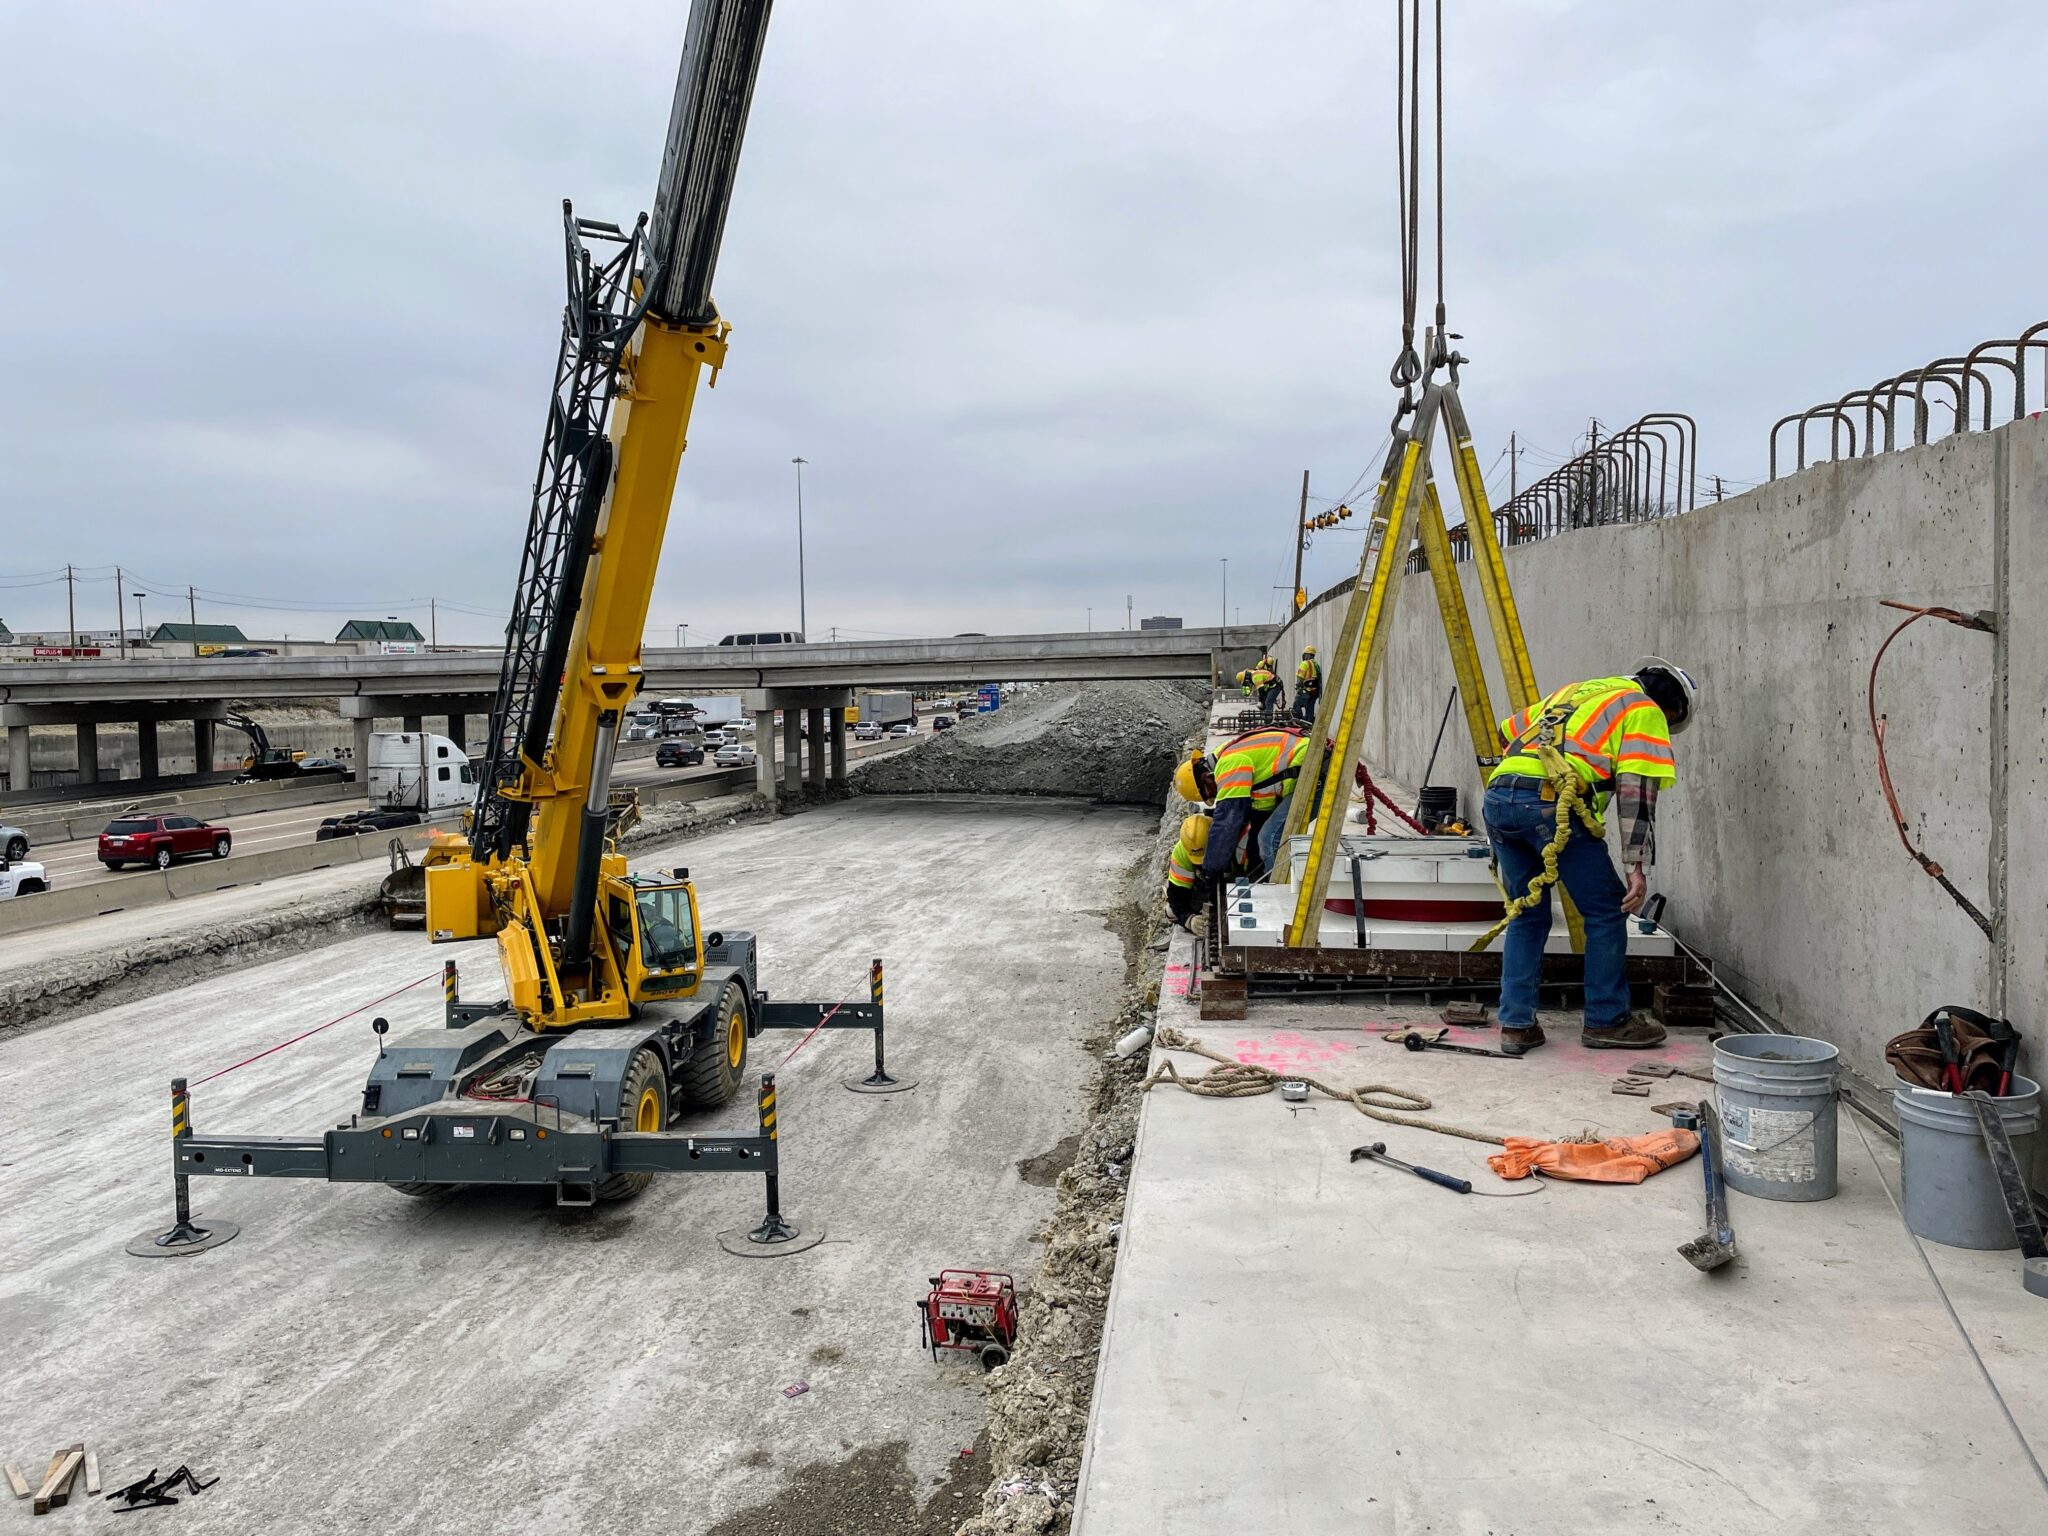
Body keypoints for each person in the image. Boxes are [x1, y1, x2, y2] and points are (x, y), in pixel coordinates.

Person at [1483, 658, 1696, 1056]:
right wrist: (1638, 866)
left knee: (1528, 915)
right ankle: (1606, 1020)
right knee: (1606, 911)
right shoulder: (1643, 709)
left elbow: (1507, 731)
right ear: (1671, 709)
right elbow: (1636, 792)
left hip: (1499, 798)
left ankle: (1516, 1025)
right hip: (1552, 805)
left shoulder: (1577, 691)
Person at [1174, 724, 1311, 886]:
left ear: (1205, 778)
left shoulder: (1229, 765)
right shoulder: (1227, 756)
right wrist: (1254, 864)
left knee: (1269, 838)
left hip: (1311, 767)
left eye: (1209, 793)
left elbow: (1227, 822)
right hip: (1305, 769)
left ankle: (1281, 893)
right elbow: (1261, 816)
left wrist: (1212, 869)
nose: (1215, 795)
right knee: (1265, 836)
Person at [1164, 811, 1211, 928]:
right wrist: (1189, 920)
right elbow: (1176, 895)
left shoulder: (1231, 843)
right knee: (1171, 911)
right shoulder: (1181, 851)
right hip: (1202, 888)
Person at [1293, 647, 1322, 723]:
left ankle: (1300, 722)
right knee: (1309, 708)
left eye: (1304, 654)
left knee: (1296, 706)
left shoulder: (1304, 663)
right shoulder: (1316, 664)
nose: (1303, 656)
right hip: (1315, 692)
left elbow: (1299, 680)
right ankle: (1308, 723)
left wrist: (1298, 687)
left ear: (1308, 655)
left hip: (1306, 691)